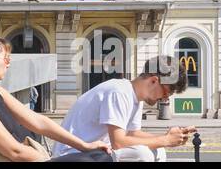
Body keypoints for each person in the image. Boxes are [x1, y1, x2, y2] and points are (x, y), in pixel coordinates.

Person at [0, 33, 111, 162]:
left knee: (100, 156)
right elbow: (13, 151)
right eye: (6, 58)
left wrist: (84, 145)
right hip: (22, 158)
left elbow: (38, 121)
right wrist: (46, 159)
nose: (8, 64)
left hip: (28, 157)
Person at [51, 55, 195, 162]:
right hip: (71, 154)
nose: (165, 99)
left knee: (159, 151)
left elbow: (132, 135)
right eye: (166, 92)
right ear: (154, 81)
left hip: (92, 153)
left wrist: (167, 137)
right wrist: (165, 140)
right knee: (141, 154)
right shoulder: (118, 92)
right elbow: (119, 142)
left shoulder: (134, 96)